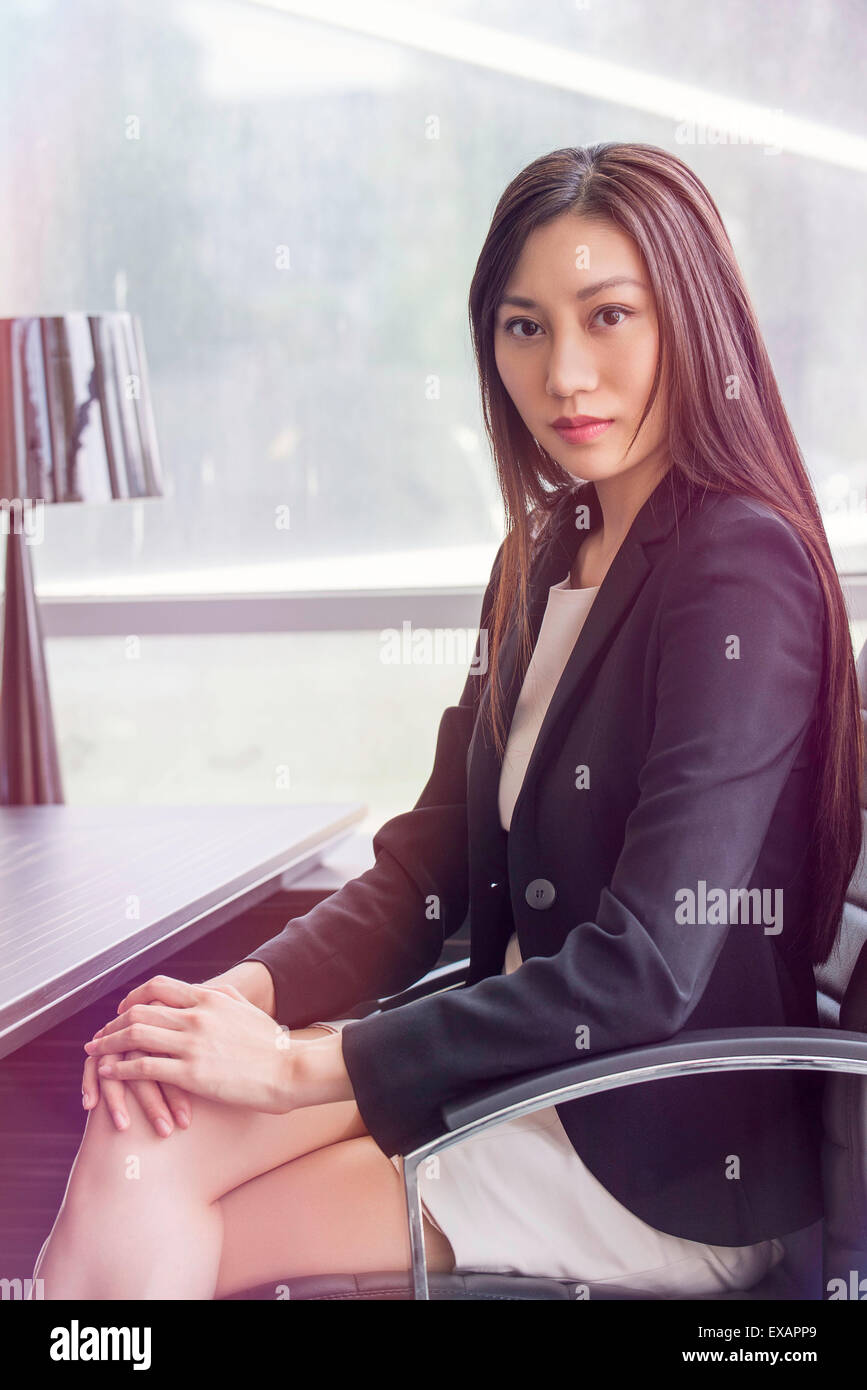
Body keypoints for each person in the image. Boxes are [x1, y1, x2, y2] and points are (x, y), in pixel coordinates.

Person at [32, 142, 862, 1299]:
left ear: (692, 317)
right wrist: (236, 1005)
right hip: (505, 1069)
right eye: (526, 328)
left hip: (651, 1147)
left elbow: (642, 973)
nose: (567, 373)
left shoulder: (740, 568)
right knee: (143, 1137)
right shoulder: (543, 552)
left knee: (175, 1207)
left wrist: (296, 1068)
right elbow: (430, 862)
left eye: (608, 316)